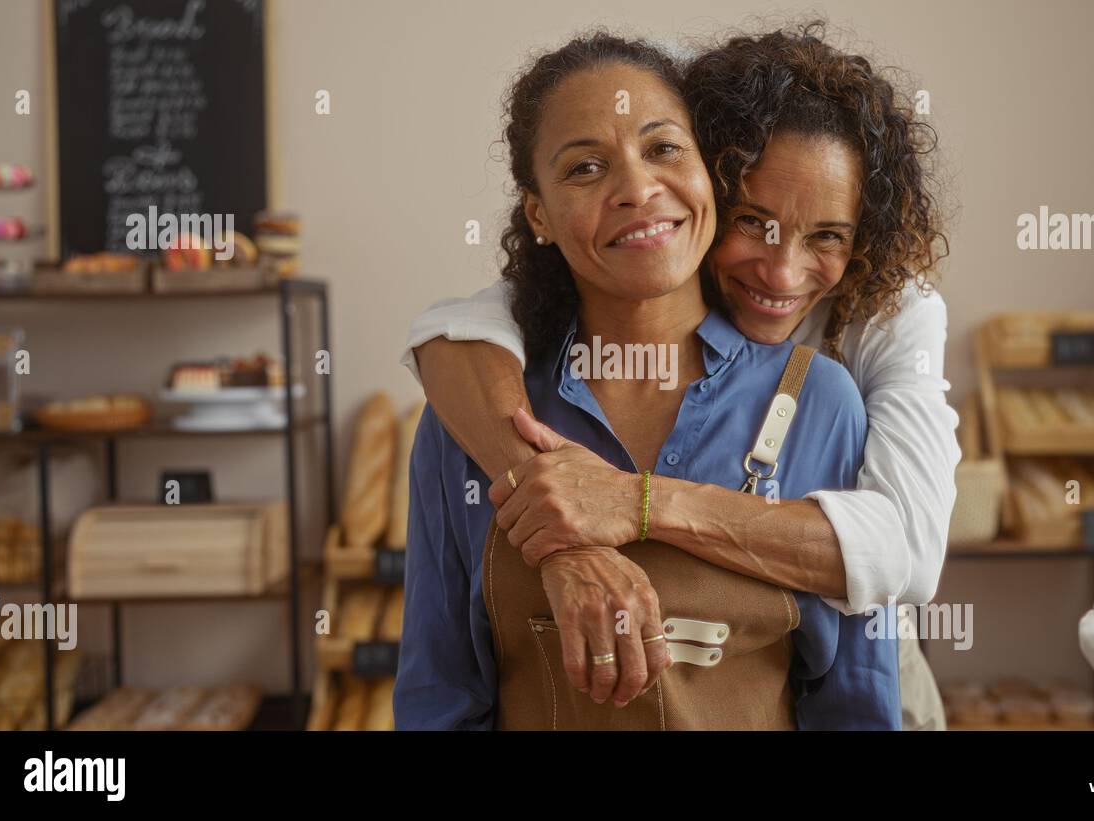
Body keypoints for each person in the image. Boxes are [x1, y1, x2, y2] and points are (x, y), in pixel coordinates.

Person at [402, 23, 957, 729]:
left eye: (663, 148)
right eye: (584, 168)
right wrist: (563, 535)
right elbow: (439, 696)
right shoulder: (474, 411)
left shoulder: (831, 393)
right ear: (536, 212)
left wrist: (633, 503)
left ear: (701, 173)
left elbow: (864, 678)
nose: (637, 188)